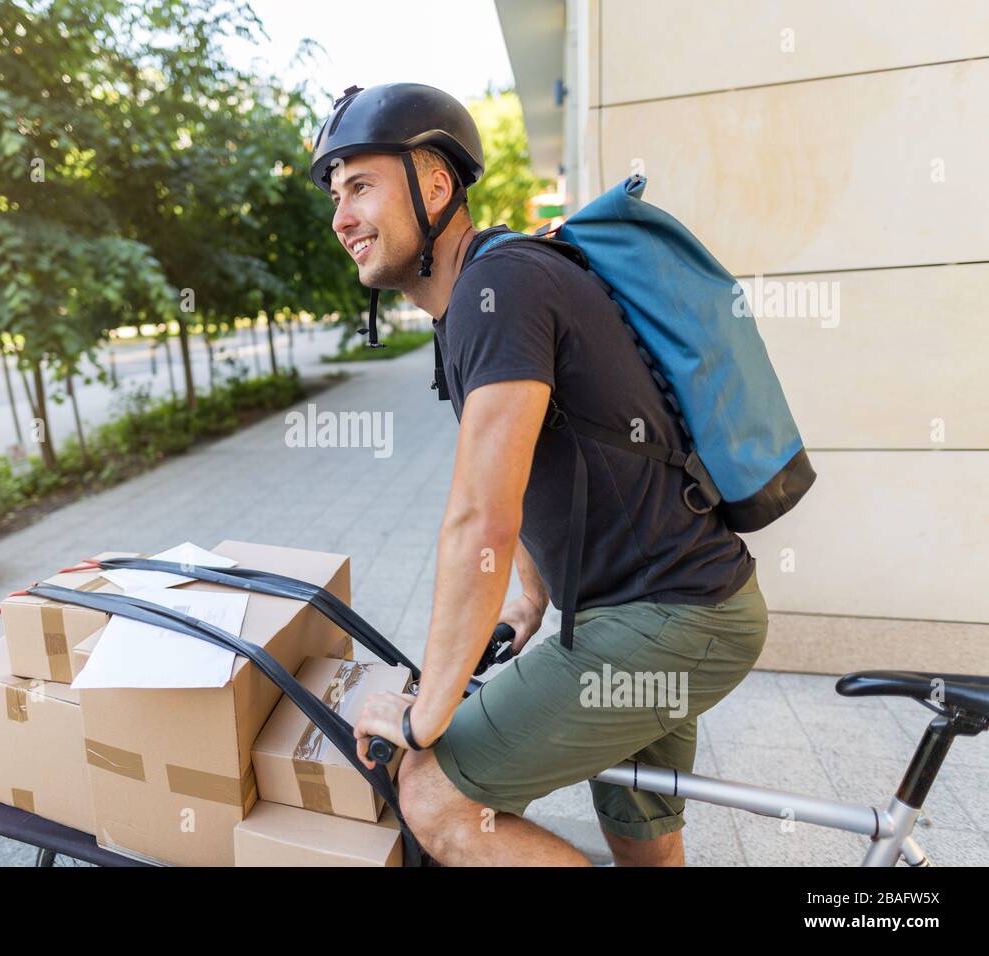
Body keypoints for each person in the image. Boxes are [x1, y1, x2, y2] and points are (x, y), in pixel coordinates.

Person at [313, 83, 769, 866]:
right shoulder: (479, 297)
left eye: (359, 185)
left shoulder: (502, 288)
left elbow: (479, 517)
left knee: (433, 791)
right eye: (335, 194)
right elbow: (523, 474)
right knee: (643, 839)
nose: (340, 217)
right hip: (664, 610)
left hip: (665, 620)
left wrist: (428, 714)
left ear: (433, 183)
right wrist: (531, 597)